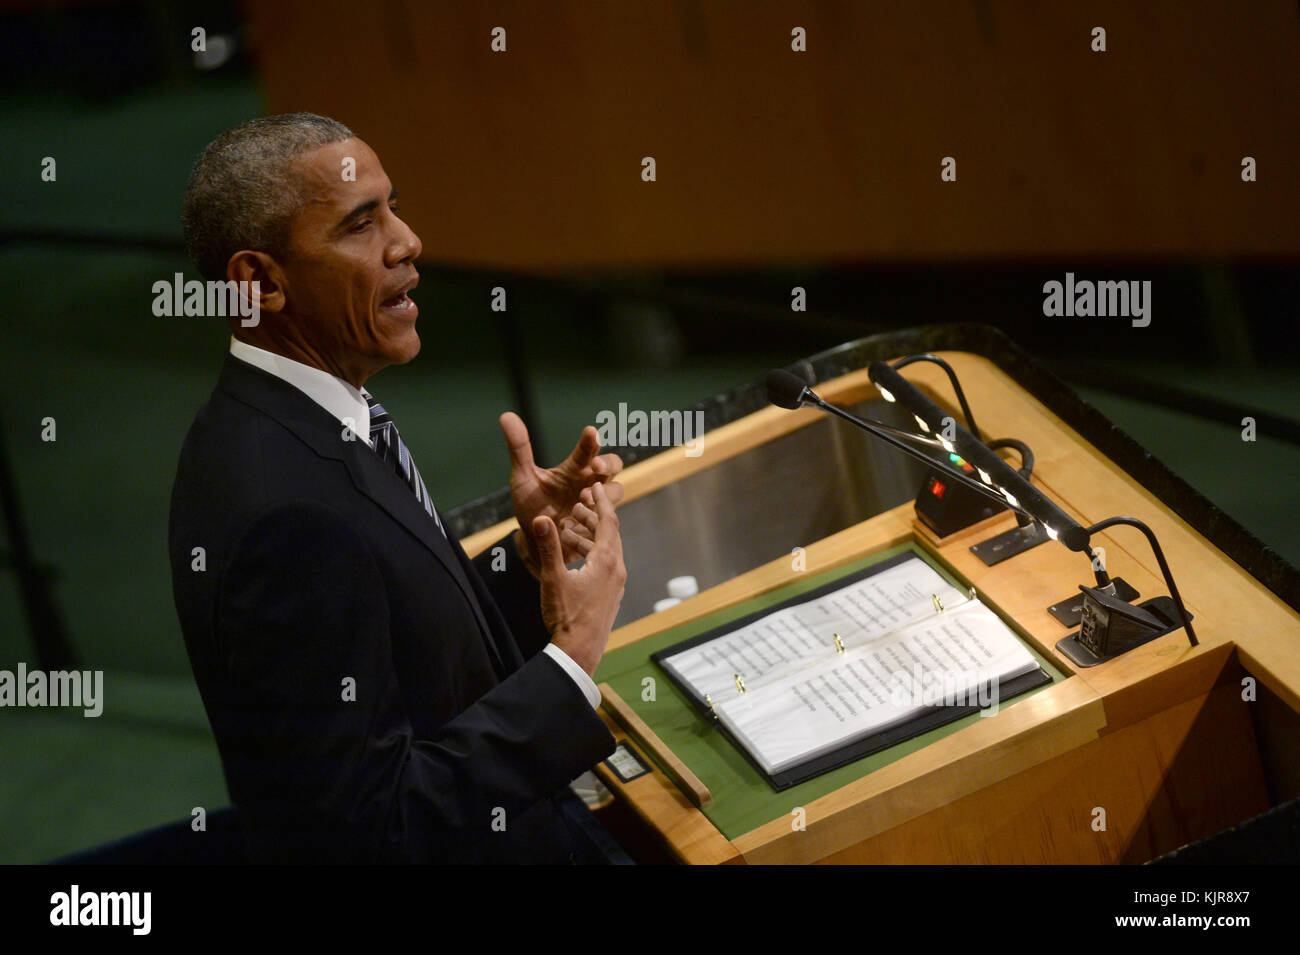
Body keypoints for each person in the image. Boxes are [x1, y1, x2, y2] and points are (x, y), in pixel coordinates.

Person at [169, 113, 628, 863]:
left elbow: (395, 640)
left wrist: (530, 559)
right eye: (359, 224)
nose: (406, 240)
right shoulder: (280, 509)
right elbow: (373, 829)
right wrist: (571, 658)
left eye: (393, 207)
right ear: (258, 283)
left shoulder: (312, 413)